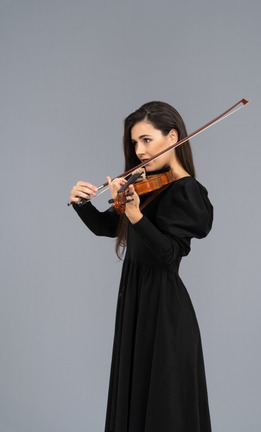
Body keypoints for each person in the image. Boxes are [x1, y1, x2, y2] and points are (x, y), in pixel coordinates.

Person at [70, 101, 213, 432]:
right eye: (135, 143)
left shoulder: (187, 190)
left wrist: (135, 214)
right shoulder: (145, 185)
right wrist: (82, 203)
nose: (138, 150)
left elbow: (168, 253)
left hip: (164, 307)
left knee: (165, 407)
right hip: (135, 299)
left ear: (172, 136)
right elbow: (106, 227)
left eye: (146, 140)